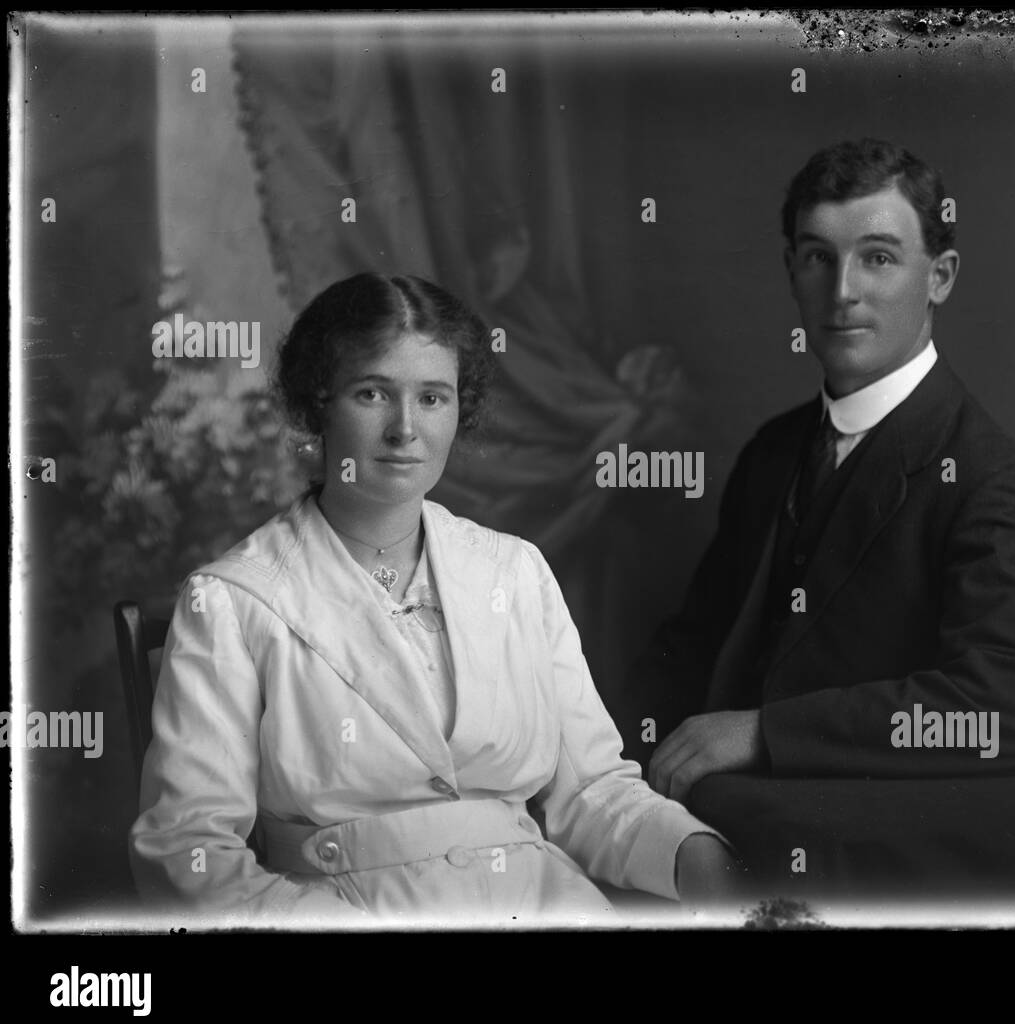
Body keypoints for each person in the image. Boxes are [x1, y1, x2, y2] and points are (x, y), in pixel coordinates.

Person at [130, 273, 735, 926]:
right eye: (372, 394)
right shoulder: (232, 601)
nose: (405, 430)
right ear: (315, 406)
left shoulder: (515, 573)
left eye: (433, 397)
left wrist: (707, 863)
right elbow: (186, 851)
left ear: (460, 410)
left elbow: (590, 793)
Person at [622, 138, 1015, 802]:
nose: (843, 291)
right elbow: (692, 648)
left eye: (878, 258)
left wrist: (764, 733)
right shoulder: (773, 450)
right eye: (818, 258)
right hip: (716, 810)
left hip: (865, 836)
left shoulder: (991, 479)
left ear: (939, 276)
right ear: (790, 270)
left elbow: (1005, 712)